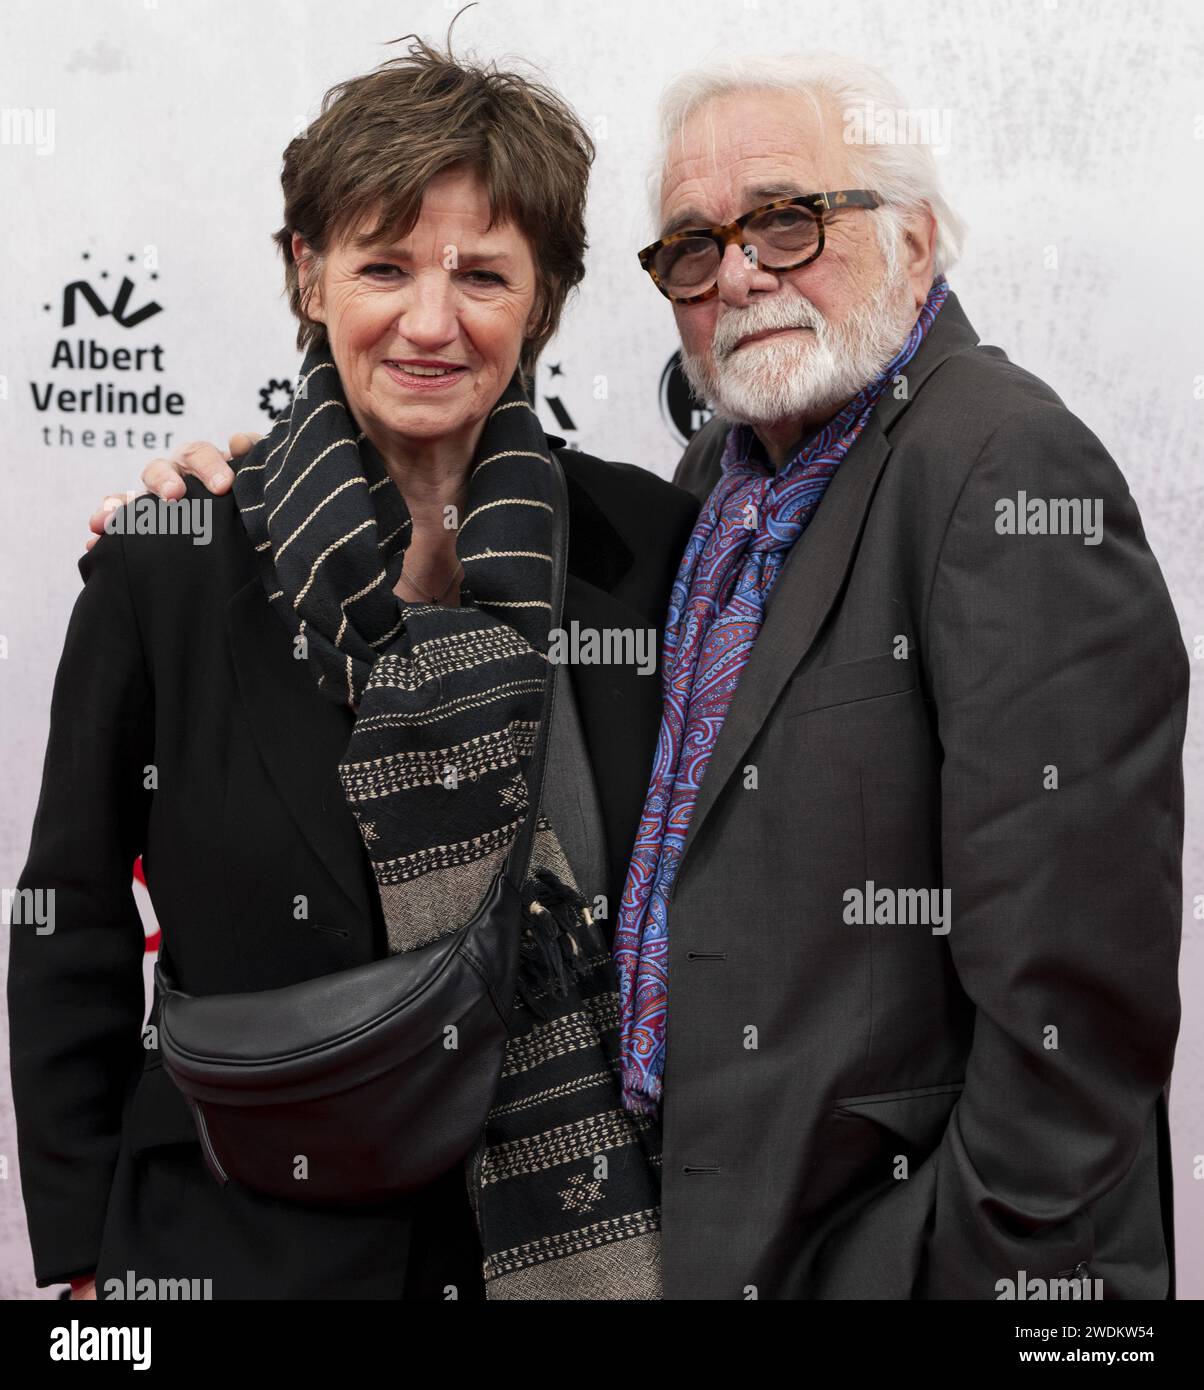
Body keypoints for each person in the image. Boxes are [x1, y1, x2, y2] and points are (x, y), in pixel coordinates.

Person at [90, 51, 1187, 1301]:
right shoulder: (710, 500)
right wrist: (236, 497)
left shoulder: (999, 462)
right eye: (693, 247)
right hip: (689, 1238)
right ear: (311, 273)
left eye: (787, 219)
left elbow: (1077, 1009)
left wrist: (950, 1268)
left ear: (919, 241)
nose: (742, 273)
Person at [9, 38, 696, 1301]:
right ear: (307, 274)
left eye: (481, 274)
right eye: (383, 264)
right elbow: (72, 918)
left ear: (540, 302)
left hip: (562, 1241)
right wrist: (83, 1261)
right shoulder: (173, 557)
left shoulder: (646, 548)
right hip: (230, 1245)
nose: (429, 322)